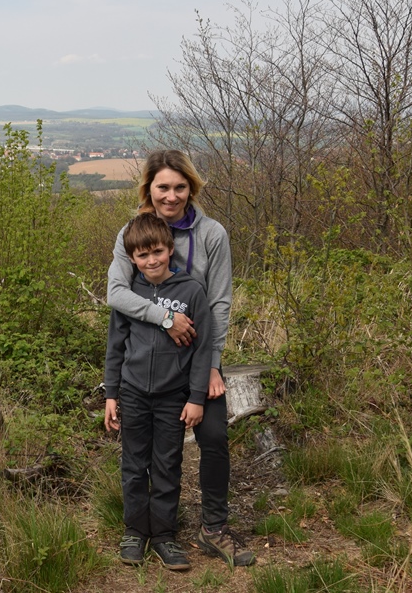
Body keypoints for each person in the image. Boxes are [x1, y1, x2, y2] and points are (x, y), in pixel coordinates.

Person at [107, 150, 256, 567]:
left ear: (191, 188)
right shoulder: (131, 235)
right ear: (148, 189)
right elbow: (117, 295)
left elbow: (220, 302)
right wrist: (166, 318)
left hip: (200, 356)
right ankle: (140, 528)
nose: (170, 196)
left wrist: (211, 365)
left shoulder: (212, 234)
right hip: (146, 365)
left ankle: (213, 529)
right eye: (162, 187)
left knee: (212, 435)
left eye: (179, 187)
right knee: (140, 456)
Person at [104, 212, 211, 571]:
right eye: (142, 255)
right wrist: (111, 393)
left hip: (172, 397)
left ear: (170, 249)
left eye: (158, 252)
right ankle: (135, 530)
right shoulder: (128, 294)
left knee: (167, 465)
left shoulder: (191, 292)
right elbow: (115, 346)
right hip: (133, 393)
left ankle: (164, 535)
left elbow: (203, 350)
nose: (151, 261)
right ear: (131, 258)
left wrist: (196, 398)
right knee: (134, 465)